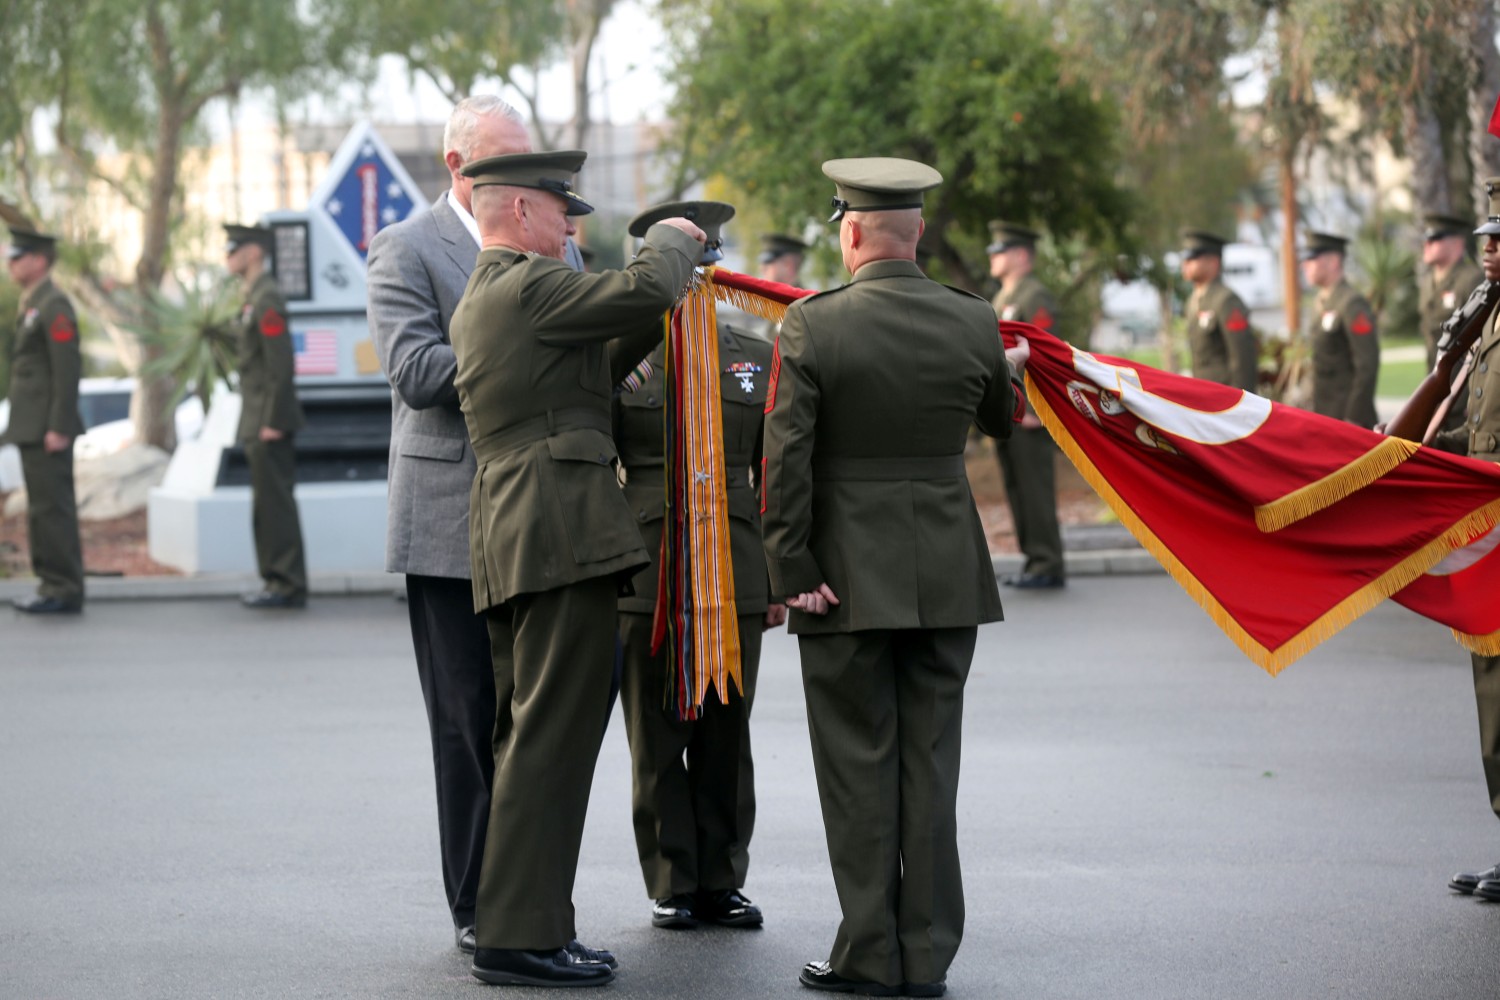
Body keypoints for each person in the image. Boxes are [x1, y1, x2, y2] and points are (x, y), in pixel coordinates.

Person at [762, 157, 1024, 998]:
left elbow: (786, 460)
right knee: (931, 767)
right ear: (914, 234)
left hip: (842, 578)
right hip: (946, 572)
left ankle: (868, 953)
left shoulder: (812, 326)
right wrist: (1004, 362)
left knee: (856, 771)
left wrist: (790, 565)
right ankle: (929, 955)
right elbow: (1000, 422)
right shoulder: (972, 319)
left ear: (851, 233)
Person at [449, 149, 705, 988]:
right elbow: (642, 290)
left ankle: (525, 924)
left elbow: (587, 364)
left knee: (533, 735)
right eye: (563, 210)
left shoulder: (498, 297)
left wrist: (667, 291)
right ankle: (519, 935)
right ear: (521, 212)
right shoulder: (526, 283)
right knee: (551, 738)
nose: (572, 225)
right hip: (557, 528)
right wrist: (671, 239)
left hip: (524, 529)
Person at [367, 94, 591, 956]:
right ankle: (477, 908)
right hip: (450, 521)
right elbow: (416, 371)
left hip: (541, 519)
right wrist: (520, 348)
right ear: (458, 167)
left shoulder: (554, 239)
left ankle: (529, 905)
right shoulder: (408, 247)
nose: (531, 179)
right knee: (469, 724)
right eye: (508, 161)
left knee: (534, 728)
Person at [614, 199, 786, 933]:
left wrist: (776, 576)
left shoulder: (755, 351)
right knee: (656, 735)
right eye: (686, 260)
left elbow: (776, 470)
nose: (696, 273)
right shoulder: (621, 355)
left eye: (705, 259)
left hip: (736, 564)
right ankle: (672, 880)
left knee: (727, 733)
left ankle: (722, 878)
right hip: (646, 566)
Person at [1431, 178, 1500, 903]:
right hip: (1487, 527)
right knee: (1493, 693)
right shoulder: (1489, 312)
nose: (1488, 249)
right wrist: (1415, 451)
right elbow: (1478, 430)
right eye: (1486, 237)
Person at [3, 228, 84, 615]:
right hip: (33, 425)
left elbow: (66, 371)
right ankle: (51, 583)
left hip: (47, 427)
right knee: (41, 509)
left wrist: (59, 425)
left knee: (53, 509)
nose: (10, 263)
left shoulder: (53, 304)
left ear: (39, 260)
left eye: (17, 257)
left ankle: (63, 587)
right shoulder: (34, 303)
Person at [226, 223, 307, 609]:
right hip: (257, 417)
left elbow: (280, 364)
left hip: (268, 420)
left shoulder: (266, 296)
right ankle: (275, 577)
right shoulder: (252, 296)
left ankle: (286, 582)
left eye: (234, 248)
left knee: (275, 505)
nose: (227, 256)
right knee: (266, 504)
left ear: (254, 252)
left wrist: (274, 419)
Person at [986, 220, 1065, 588]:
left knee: (1034, 488)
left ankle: (1047, 561)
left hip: (1028, 412)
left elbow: (1048, 356)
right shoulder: (1004, 298)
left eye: (1000, 251)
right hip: (1009, 408)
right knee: (1018, 488)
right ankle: (1035, 560)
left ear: (1020, 255)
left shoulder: (1035, 297)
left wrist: (1037, 410)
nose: (994, 257)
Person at [1301, 230, 1380, 429]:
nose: (1305, 265)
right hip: (1324, 413)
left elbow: (1367, 364)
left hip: (1347, 417)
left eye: (1312, 258)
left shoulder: (1351, 303)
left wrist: (1354, 415)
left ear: (1333, 261)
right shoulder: (1321, 302)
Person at [1418, 213, 1483, 435]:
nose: (1426, 244)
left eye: (1435, 239)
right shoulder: (1427, 283)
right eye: (1426, 239)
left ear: (1457, 242)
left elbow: (1482, 342)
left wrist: (1474, 396)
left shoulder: (1472, 280)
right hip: (1434, 392)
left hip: (1461, 396)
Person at [1179, 228, 1259, 391]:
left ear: (1213, 262)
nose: (1185, 264)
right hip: (1204, 394)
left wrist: (1243, 403)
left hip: (1225, 397)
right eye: (1185, 258)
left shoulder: (1226, 300)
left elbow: (1243, 358)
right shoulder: (1193, 301)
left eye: (1193, 258)